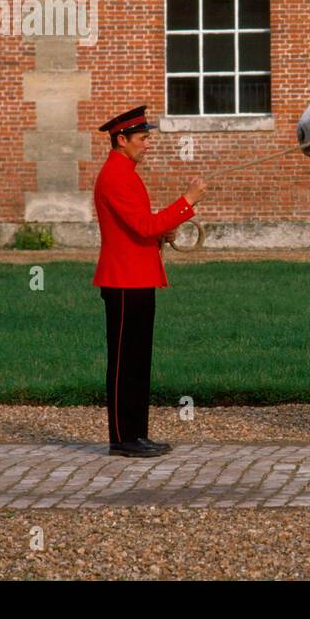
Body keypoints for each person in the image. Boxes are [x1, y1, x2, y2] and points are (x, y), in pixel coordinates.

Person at [92, 105, 207, 458]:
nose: (147, 145)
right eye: (142, 139)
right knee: (125, 361)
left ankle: (135, 434)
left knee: (138, 360)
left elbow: (140, 227)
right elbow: (143, 226)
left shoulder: (126, 173)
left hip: (138, 278)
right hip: (124, 281)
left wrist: (162, 231)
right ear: (121, 139)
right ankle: (123, 438)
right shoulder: (115, 176)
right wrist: (187, 201)